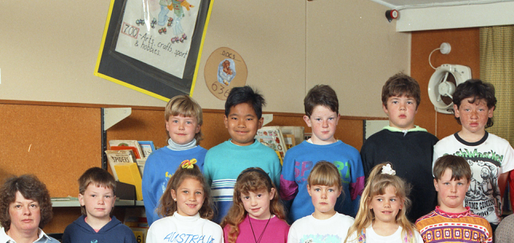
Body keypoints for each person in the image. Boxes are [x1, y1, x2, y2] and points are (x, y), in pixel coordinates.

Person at [431, 78, 514, 227]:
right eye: (467, 109)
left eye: (480, 109)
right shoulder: (442, 147)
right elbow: (440, 191)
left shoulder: (503, 147)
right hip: (453, 223)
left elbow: (499, 190)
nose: (474, 115)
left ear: (490, 111)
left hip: (490, 224)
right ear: (456, 110)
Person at [279, 84, 366, 222]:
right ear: (308, 120)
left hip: (342, 230)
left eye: (330, 118)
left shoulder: (352, 155)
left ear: (338, 118)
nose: (324, 125)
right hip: (302, 228)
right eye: (318, 119)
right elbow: (285, 199)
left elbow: (359, 197)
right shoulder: (293, 155)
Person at [360, 73, 439, 224]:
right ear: (385, 107)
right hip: (384, 226)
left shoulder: (432, 143)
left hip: (424, 224)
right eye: (395, 101)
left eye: (409, 102)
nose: (402, 107)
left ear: (416, 108)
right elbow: (365, 191)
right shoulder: (372, 145)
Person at [202, 86, 282, 221]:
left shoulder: (270, 157)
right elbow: (203, 197)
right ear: (225, 121)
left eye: (249, 119)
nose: (241, 124)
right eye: (234, 118)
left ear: (260, 122)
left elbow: (279, 198)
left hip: (259, 234)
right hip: (220, 232)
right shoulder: (213, 155)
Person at [143, 94, 208, 226]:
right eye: (175, 121)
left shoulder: (207, 157)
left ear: (198, 127)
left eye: (188, 122)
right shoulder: (154, 159)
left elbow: (210, 198)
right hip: (163, 230)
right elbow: (149, 199)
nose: (181, 127)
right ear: (167, 125)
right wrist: (156, 227)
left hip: (198, 229)